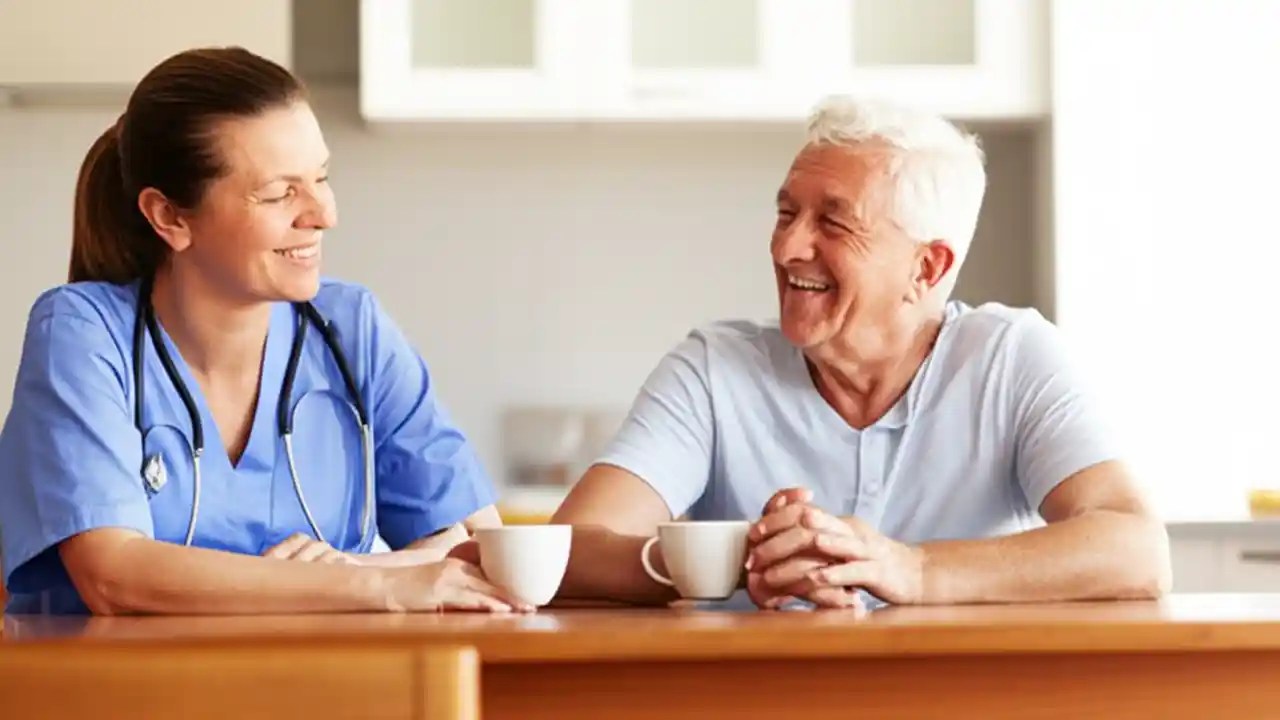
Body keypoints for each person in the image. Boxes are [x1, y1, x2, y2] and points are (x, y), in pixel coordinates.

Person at [545, 95, 1172, 610]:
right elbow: (566, 551)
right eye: (786, 213)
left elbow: (1136, 551)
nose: (789, 247)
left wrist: (912, 570)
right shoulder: (715, 369)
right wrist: (744, 558)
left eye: (834, 223)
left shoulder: (1011, 358)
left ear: (927, 267)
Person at [0, 47, 529, 615]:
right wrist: (381, 583)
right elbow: (115, 574)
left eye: (322, 178)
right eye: (280, 194)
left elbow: (477, 546)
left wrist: (350, 569)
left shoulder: (352, 328)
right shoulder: (82, 334)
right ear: (170, 218)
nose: (323, 213)